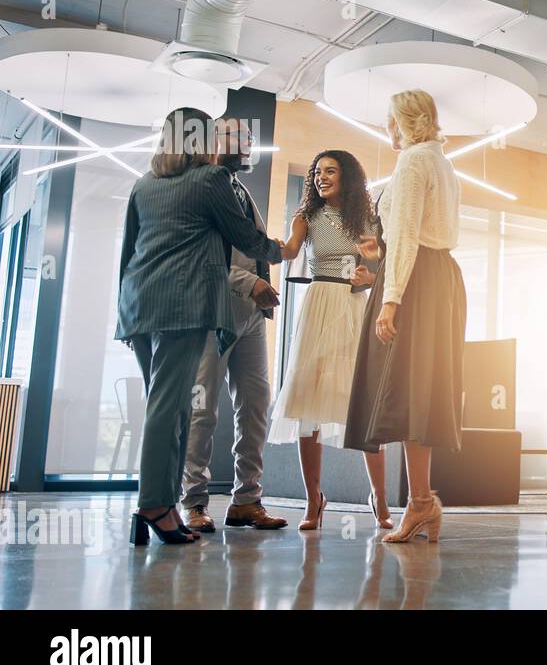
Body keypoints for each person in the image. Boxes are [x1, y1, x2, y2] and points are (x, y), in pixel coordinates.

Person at [116, 107, 283, 545]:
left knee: (170, 404)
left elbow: (129, 251)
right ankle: (156, 503)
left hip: (140, 305)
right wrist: (284, 249)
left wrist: (124, 315)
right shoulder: (208, 181)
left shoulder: (144, 184)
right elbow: (248, 241)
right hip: (184, 307)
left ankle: (163, 504)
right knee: (170, 408)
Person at [343, 89, 466, 544]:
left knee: (403, 389)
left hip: (415, 281)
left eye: (389, 119)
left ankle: (420, 503)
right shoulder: (443, 163)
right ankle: (421, 503)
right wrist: (383, 250)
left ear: (403, 121)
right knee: (419, 392)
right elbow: (419, 232)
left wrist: (390, 298)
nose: (386, 128)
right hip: (439, 278)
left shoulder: (413, 162)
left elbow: (409, 234)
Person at [270, 149, 391, 531]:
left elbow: (379, 269)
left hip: (353, 307)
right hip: (318, 304)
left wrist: (368, 278)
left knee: (363, 403)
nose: (322, 177)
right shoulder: (306, 216)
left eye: (331, 171)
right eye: (317, 172)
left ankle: (381, 500)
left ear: (347, 177)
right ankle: (313, 500)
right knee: (308, 401)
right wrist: (262, 243)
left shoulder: (366, 219)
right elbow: (289, 251)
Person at [181, 117, 288, 533]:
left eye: (249, 139)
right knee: (201, 410)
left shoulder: (238, 188)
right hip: (213, 312)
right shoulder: (200, 186)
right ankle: (193, 503)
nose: (246, 144)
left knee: (256, 407)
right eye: (237, 137)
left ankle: (247, 500)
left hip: (251, 318)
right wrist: (250, 282)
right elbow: (197, 256)